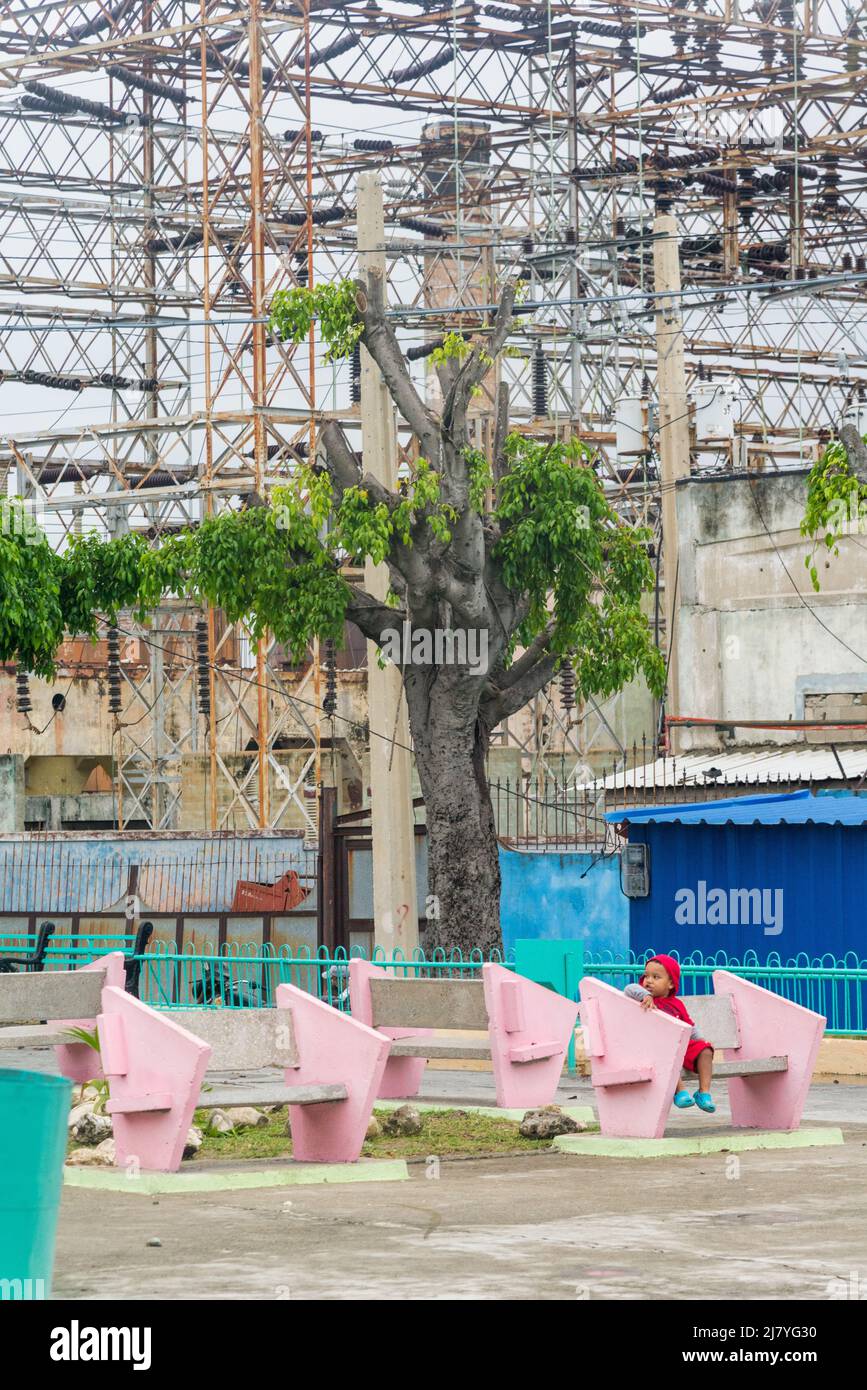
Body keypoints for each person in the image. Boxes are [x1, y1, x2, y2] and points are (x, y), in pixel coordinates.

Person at [624, 954, 715, 1113]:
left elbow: (689, 1027)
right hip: (658, 1050)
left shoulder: (677, 1004)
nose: (649, 981)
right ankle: (680, 1091)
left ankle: (704, 1093)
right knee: (667, 1049)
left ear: (671, 984)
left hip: (680, 1047)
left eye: (656, 977)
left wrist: (701, 1041)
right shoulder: (644, 999)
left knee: (706, 1050)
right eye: (646, 976)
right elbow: (628, 989)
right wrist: (645, 995)